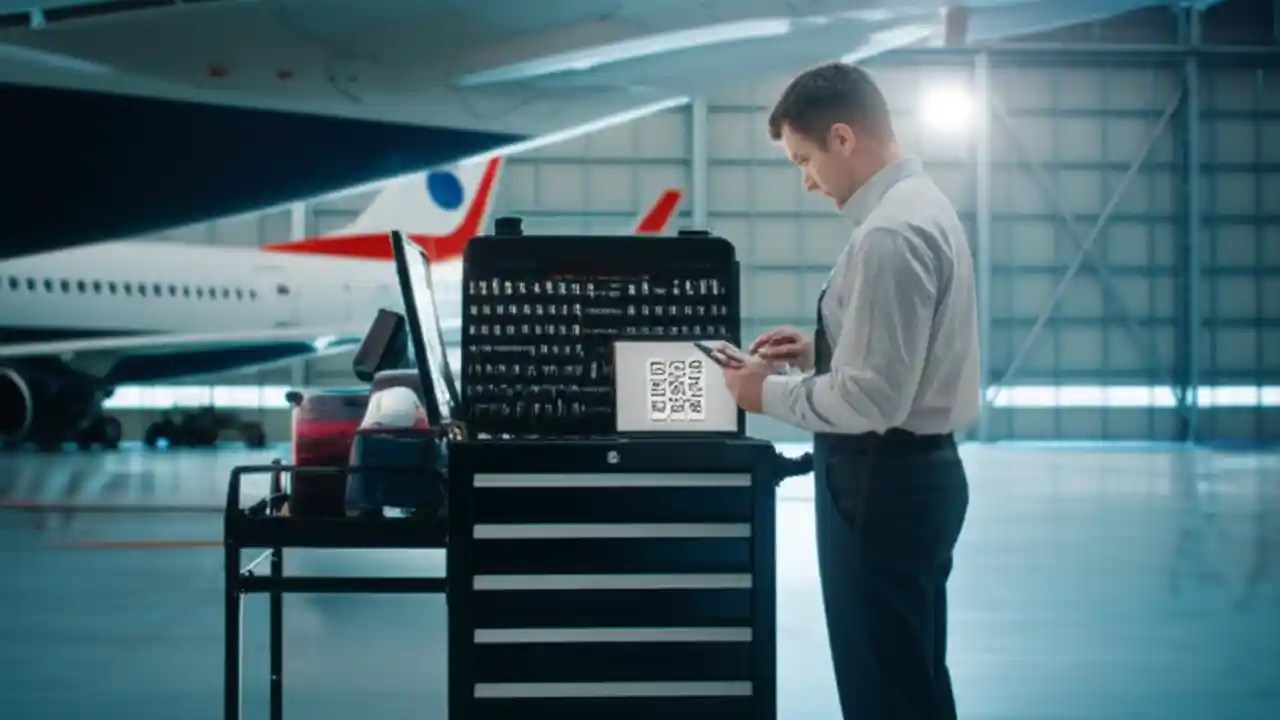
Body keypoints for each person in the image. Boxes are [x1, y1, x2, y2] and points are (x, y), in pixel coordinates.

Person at [719, 62, 980, 719]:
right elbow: (914, 353)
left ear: (842, 138)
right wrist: (822, 353)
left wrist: (762, 396)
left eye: (804, 159)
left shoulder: (890, 234)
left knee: (882, 692)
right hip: (913, 478)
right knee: (908, 677)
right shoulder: (920, 207)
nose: (806, 181)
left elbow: (873, 401)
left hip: (879, 484)